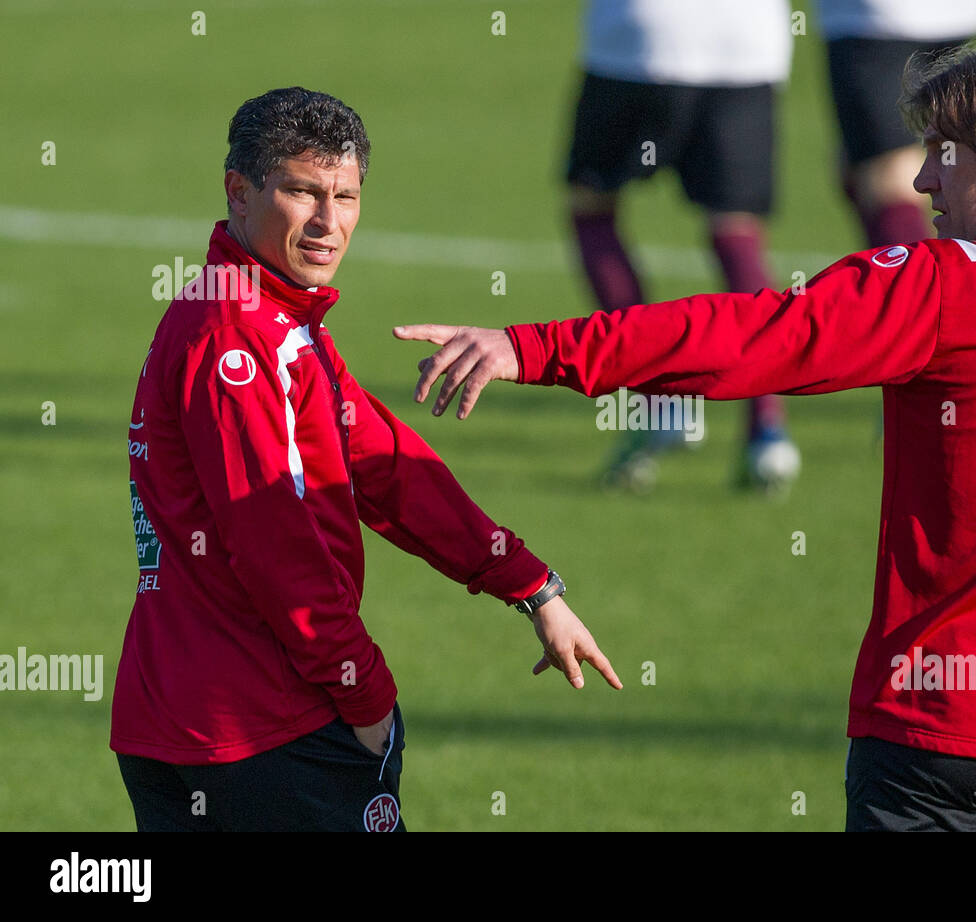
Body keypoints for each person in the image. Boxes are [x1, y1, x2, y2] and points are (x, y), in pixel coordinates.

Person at [394, 44, 976, 831]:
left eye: (945, 151)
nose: (925, 178)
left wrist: (533, 347)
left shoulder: (944, 288)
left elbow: (742, 337)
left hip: (933, 733)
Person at [113, 87, 621, 833]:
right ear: (239, 191)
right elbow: (276, 549)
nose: (328, 223)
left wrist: (531, 586)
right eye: (301, 192)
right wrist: (368, 697)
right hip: (264, 730)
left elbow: (384, 468)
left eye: (345, 196)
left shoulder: (270, 321)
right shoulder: (239, 342)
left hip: (179, 720)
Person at [565, 0, 800, 492]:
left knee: (591, 206)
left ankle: (659, 399)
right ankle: (768, 433)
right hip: (745, 40)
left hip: (639, 40)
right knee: (736, 229)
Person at [820, 0, 976, 248]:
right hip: (958, 16)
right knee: (859, 165)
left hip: (874, 21)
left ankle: (924, 285)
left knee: (887, 173)